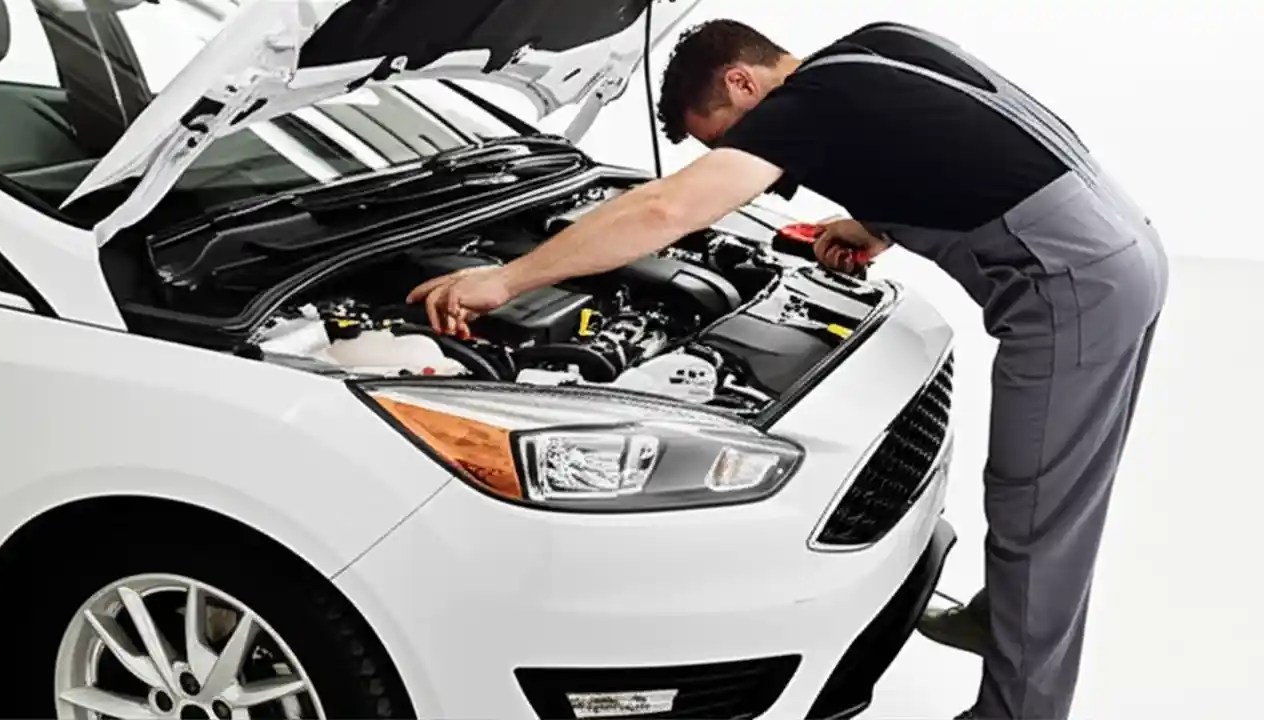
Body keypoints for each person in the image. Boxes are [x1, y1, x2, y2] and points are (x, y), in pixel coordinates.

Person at [408, 19, 1168, 720]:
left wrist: (505, 282)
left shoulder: (811, 103)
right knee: (1043, 491)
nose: (766, 171)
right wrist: (874, 225)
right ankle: (1006, 619)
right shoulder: (872, 48)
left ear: (741, 82)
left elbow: (668, 212)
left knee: (1039, 502)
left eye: (731, 139)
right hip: (1111, 246)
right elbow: (957, 139)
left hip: (1067, 282)